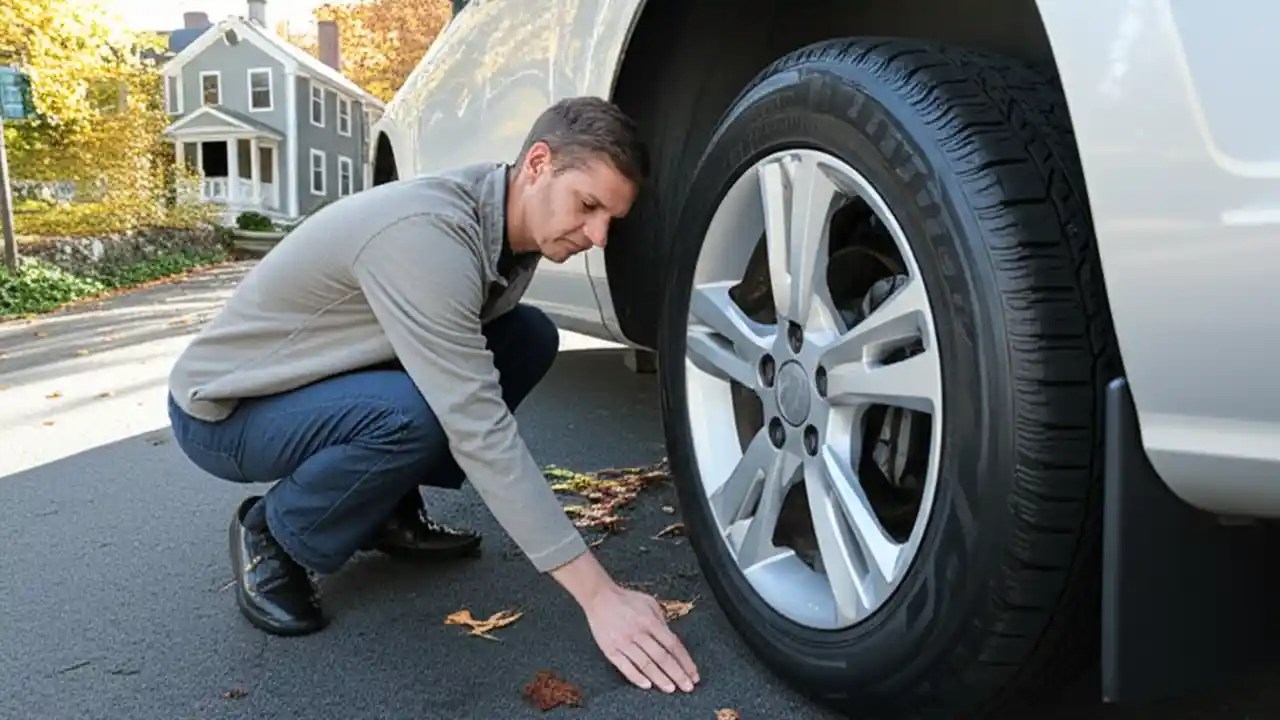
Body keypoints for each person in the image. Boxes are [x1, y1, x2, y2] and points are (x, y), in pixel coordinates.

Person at [165, 96, 699, 694]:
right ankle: (276, 531)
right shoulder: (428, 237)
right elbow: (478, 427)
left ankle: (381, 507)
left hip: (317, 382)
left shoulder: (504, 222)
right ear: (538, 163)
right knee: (413, 417)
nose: (598, 235)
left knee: (527, 337)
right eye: (589, 205)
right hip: (228, 411)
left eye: (611, 220)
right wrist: (601, 598)